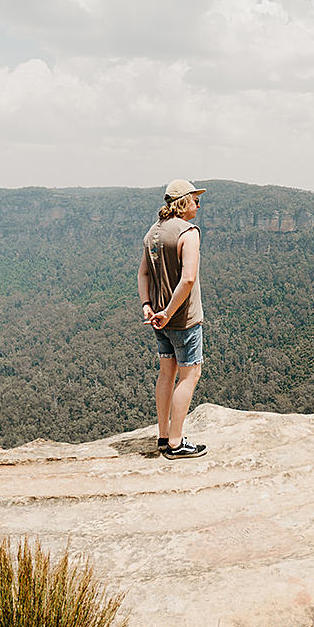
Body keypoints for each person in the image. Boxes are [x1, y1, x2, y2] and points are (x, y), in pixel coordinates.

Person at [137, 179, 208, 459]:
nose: (198, 205)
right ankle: (177, 444)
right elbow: (188, 278)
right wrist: (169, 312)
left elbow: (143, 273)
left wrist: (148, 305)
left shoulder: (153, 233)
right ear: (183, 202)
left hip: (158, 319)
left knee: (167, 373)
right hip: (182, 319)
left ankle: (164, 435)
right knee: (190, 375)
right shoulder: (188, 233)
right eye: (195, 200)